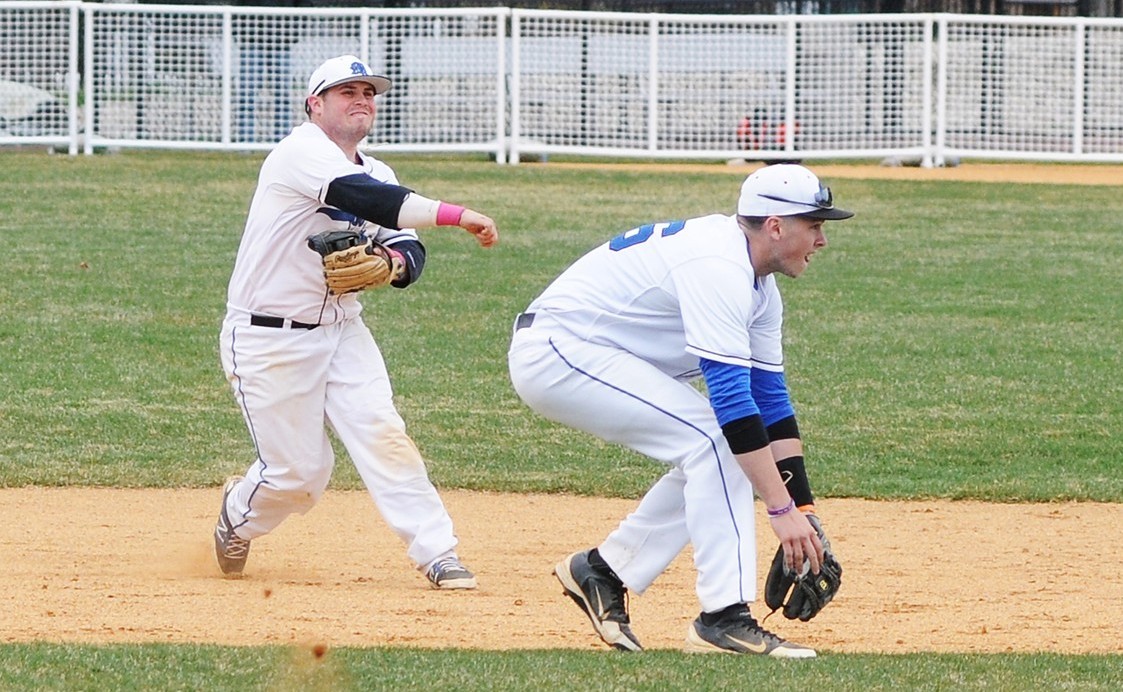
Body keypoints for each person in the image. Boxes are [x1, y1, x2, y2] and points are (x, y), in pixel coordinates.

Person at [507, 164, 852, 656]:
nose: (821, 240)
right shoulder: (718, 267)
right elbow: (733, 406)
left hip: (595, 352)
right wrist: (780, 511)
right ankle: (723, 619)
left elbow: (771, 404)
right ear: (776, 226)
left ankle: (604, 569)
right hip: (560, 350)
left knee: (717, 448)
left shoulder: (758, 288)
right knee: (718, 441)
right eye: (814, 225)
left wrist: (804, 510)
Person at [214, 55, 498, 590]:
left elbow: (407, 244)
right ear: (314, 105)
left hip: (342, 330)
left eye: (368, 92)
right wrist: (458, 215)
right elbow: (371, 201)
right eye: (347, 91)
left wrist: (393, 264)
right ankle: (237, 514)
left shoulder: (378, 170)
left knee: (383, 432)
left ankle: (438, 552)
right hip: (267, 337)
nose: (362, 99)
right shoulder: (299, 153)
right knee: (300, 477)